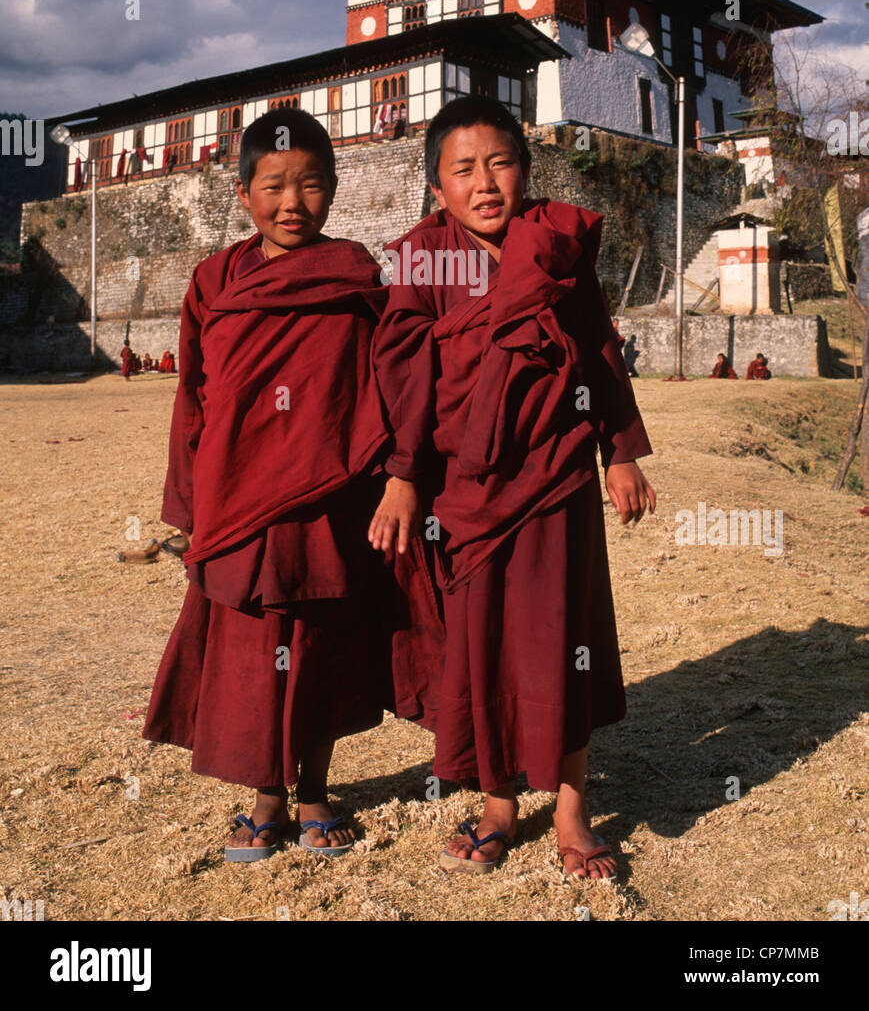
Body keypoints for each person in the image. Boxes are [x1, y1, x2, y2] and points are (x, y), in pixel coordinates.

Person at [368, 96, 655, 881]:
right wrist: (400, 477)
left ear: (525, 173)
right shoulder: (421, 259)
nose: (485, 182)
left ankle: (570, 809)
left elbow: (596, 345)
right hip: (466, 486)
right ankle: (498, 804)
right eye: (463, 170)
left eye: (500, 163)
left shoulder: (554, 241)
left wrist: (620, 452)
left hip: (556, 474)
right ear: (437, 189)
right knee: (482, 646)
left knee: (563, 641)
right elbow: (401, 376)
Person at [143, 108, 393, 861]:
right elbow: (194, 397)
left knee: (317, 641)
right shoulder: (214, 280)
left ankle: (313, 790)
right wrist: (186, 503)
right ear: (244, 192)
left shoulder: (353, 274)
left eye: (311, 185)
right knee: (254, 649)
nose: (293, 204)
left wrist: (393, 481)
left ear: (335, 189)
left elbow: (382, 382)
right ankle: (265, 796)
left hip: (326, 497)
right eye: (274, 186)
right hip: (236, 496)